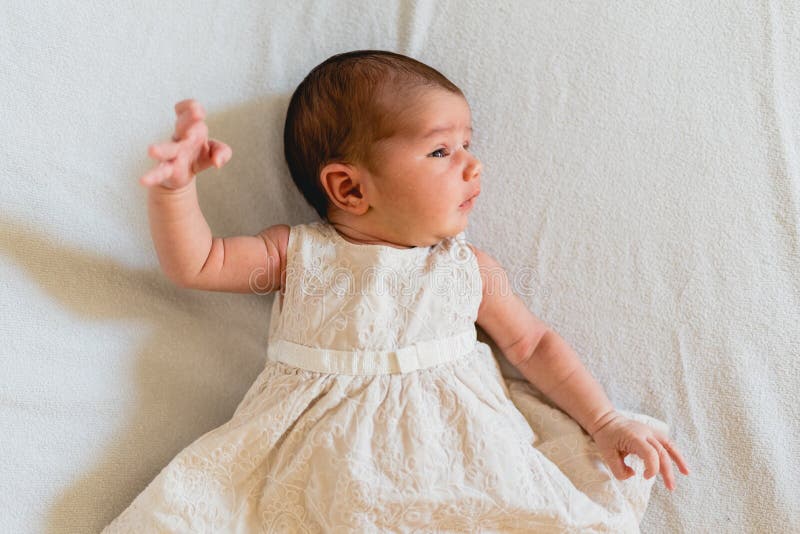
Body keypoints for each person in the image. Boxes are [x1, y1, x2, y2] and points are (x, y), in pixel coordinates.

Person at [103, 50, 690, 533]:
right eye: (441, 151)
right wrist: (175, 193)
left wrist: (606, 419)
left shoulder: (469, 269)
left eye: (467, 143)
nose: (472, 165)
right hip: (326, 464)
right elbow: (199, 263)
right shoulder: (297, 256)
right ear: (350, 188)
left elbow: (533, 345)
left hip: (465, 458)